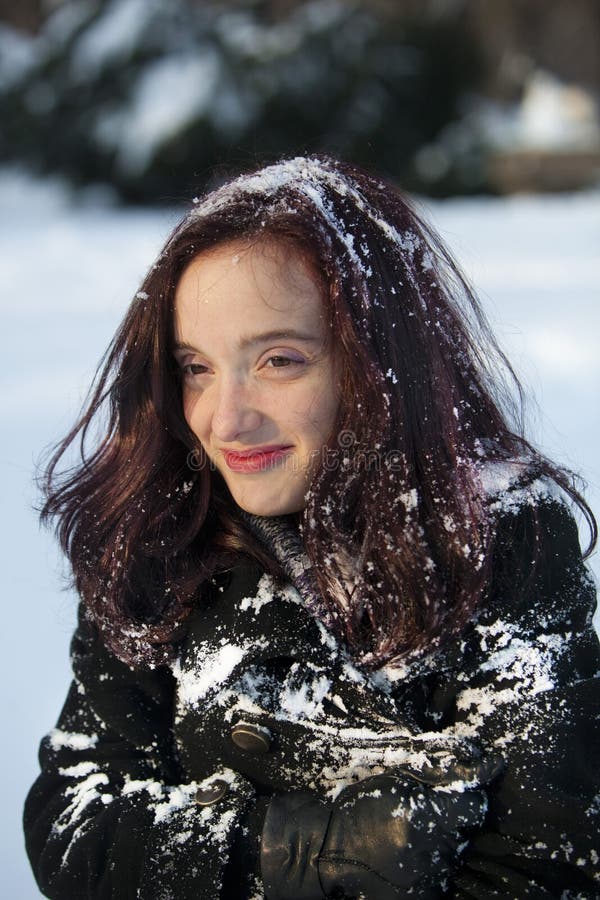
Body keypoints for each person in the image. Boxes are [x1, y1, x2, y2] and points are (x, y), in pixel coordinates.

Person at [24, 156, 599, 900]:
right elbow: (74, 820)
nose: (225, 420)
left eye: (278, 360)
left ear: (378, 363)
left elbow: (549, 858)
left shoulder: (501, 541)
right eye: (197, 367)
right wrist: (292, 853)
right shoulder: (159, 539)